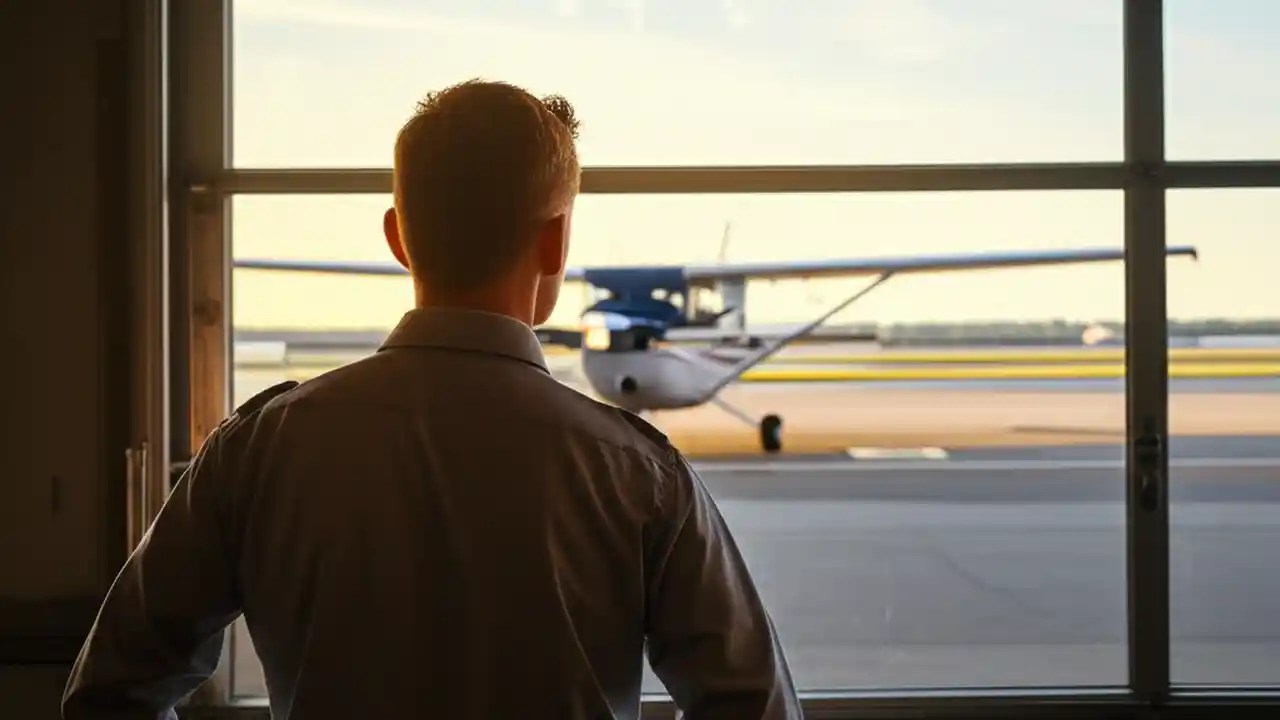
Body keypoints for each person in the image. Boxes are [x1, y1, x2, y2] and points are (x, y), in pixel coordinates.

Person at [63, 79, 800, 720]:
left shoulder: (256, 450)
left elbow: (112, 691)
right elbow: (752, 702)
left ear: (398, 237)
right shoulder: (639, 473)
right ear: (555, 244)